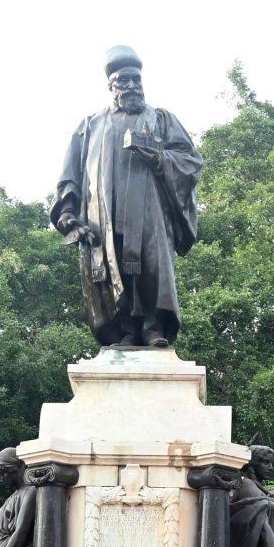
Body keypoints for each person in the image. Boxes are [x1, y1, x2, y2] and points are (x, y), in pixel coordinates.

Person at [52, 45, 203, 350]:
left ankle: (153, 328)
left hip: (149, 213)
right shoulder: (90, 126)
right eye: (124, 81)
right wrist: (68, 212)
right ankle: (124, 332)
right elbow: (71, 174)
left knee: (151, 266)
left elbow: (190, 161)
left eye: (136, 79)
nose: (132, 86)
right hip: (103, 215)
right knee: (110, 266)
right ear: (112, 86)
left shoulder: (161, 119)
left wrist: (159, 157)